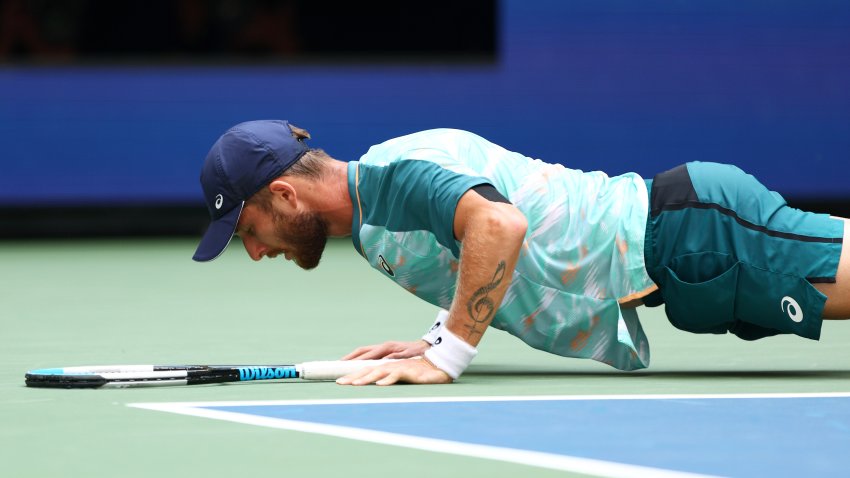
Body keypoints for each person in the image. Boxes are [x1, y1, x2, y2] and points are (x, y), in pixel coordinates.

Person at [193, 120, 850, 385]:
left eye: (247, 230)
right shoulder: (372, 227)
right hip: (682, 269)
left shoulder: (397, 173)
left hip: (694, 233)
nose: (254, 252)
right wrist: (434, 336)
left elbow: (499, 227)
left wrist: (450, 356)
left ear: (284, 195)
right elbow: (481, 259)